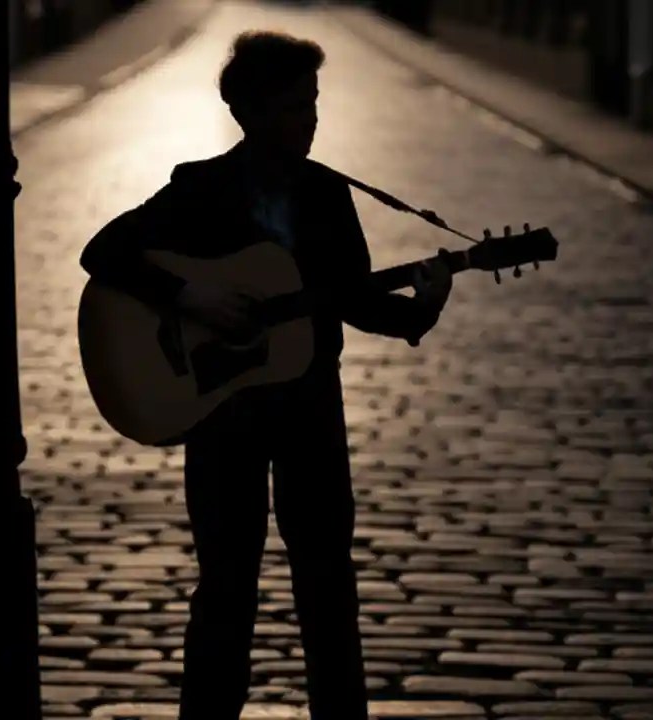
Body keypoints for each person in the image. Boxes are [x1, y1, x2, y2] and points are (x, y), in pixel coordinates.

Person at [78, 30, 454, 720]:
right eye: (292, 107)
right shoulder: (200, 190)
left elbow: (353, 300)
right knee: (226, 587)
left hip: (311, 410)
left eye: (313, 104)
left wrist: (419, 312)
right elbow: (103, 250)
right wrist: (189, 297)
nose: (310, 120)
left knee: (328, 585)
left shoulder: (327, 194)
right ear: (248, 111)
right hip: (223, 416)